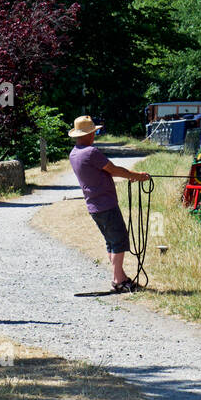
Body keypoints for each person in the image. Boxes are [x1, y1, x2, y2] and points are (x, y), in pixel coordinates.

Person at [68, 114, 151, 293]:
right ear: (88, 135)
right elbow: (113, 170)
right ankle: (119, 280)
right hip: (106, 204)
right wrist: (136, 176)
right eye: (93, 133)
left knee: (111, 242)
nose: (94, 136)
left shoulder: (74, 153)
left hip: (94, 205)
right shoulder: (91, 152)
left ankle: (119, 277)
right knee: (119, 240)